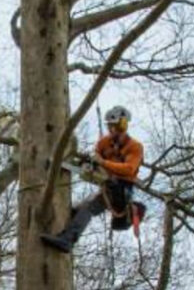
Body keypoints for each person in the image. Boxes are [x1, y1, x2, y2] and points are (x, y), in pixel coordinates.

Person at [41, 105, 145, 253]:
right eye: (110, 126)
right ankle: (58, 229)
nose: (113, 130)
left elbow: (129, 169)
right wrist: (91, 162)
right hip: (106, 183)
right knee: (75, 210)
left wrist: (103, 163)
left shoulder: (134, 146)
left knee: (88, 208)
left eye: (116, 126)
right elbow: (96, 157)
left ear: (123, 125)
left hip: (121, 188)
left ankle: (67, 240)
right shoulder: (104, 143)